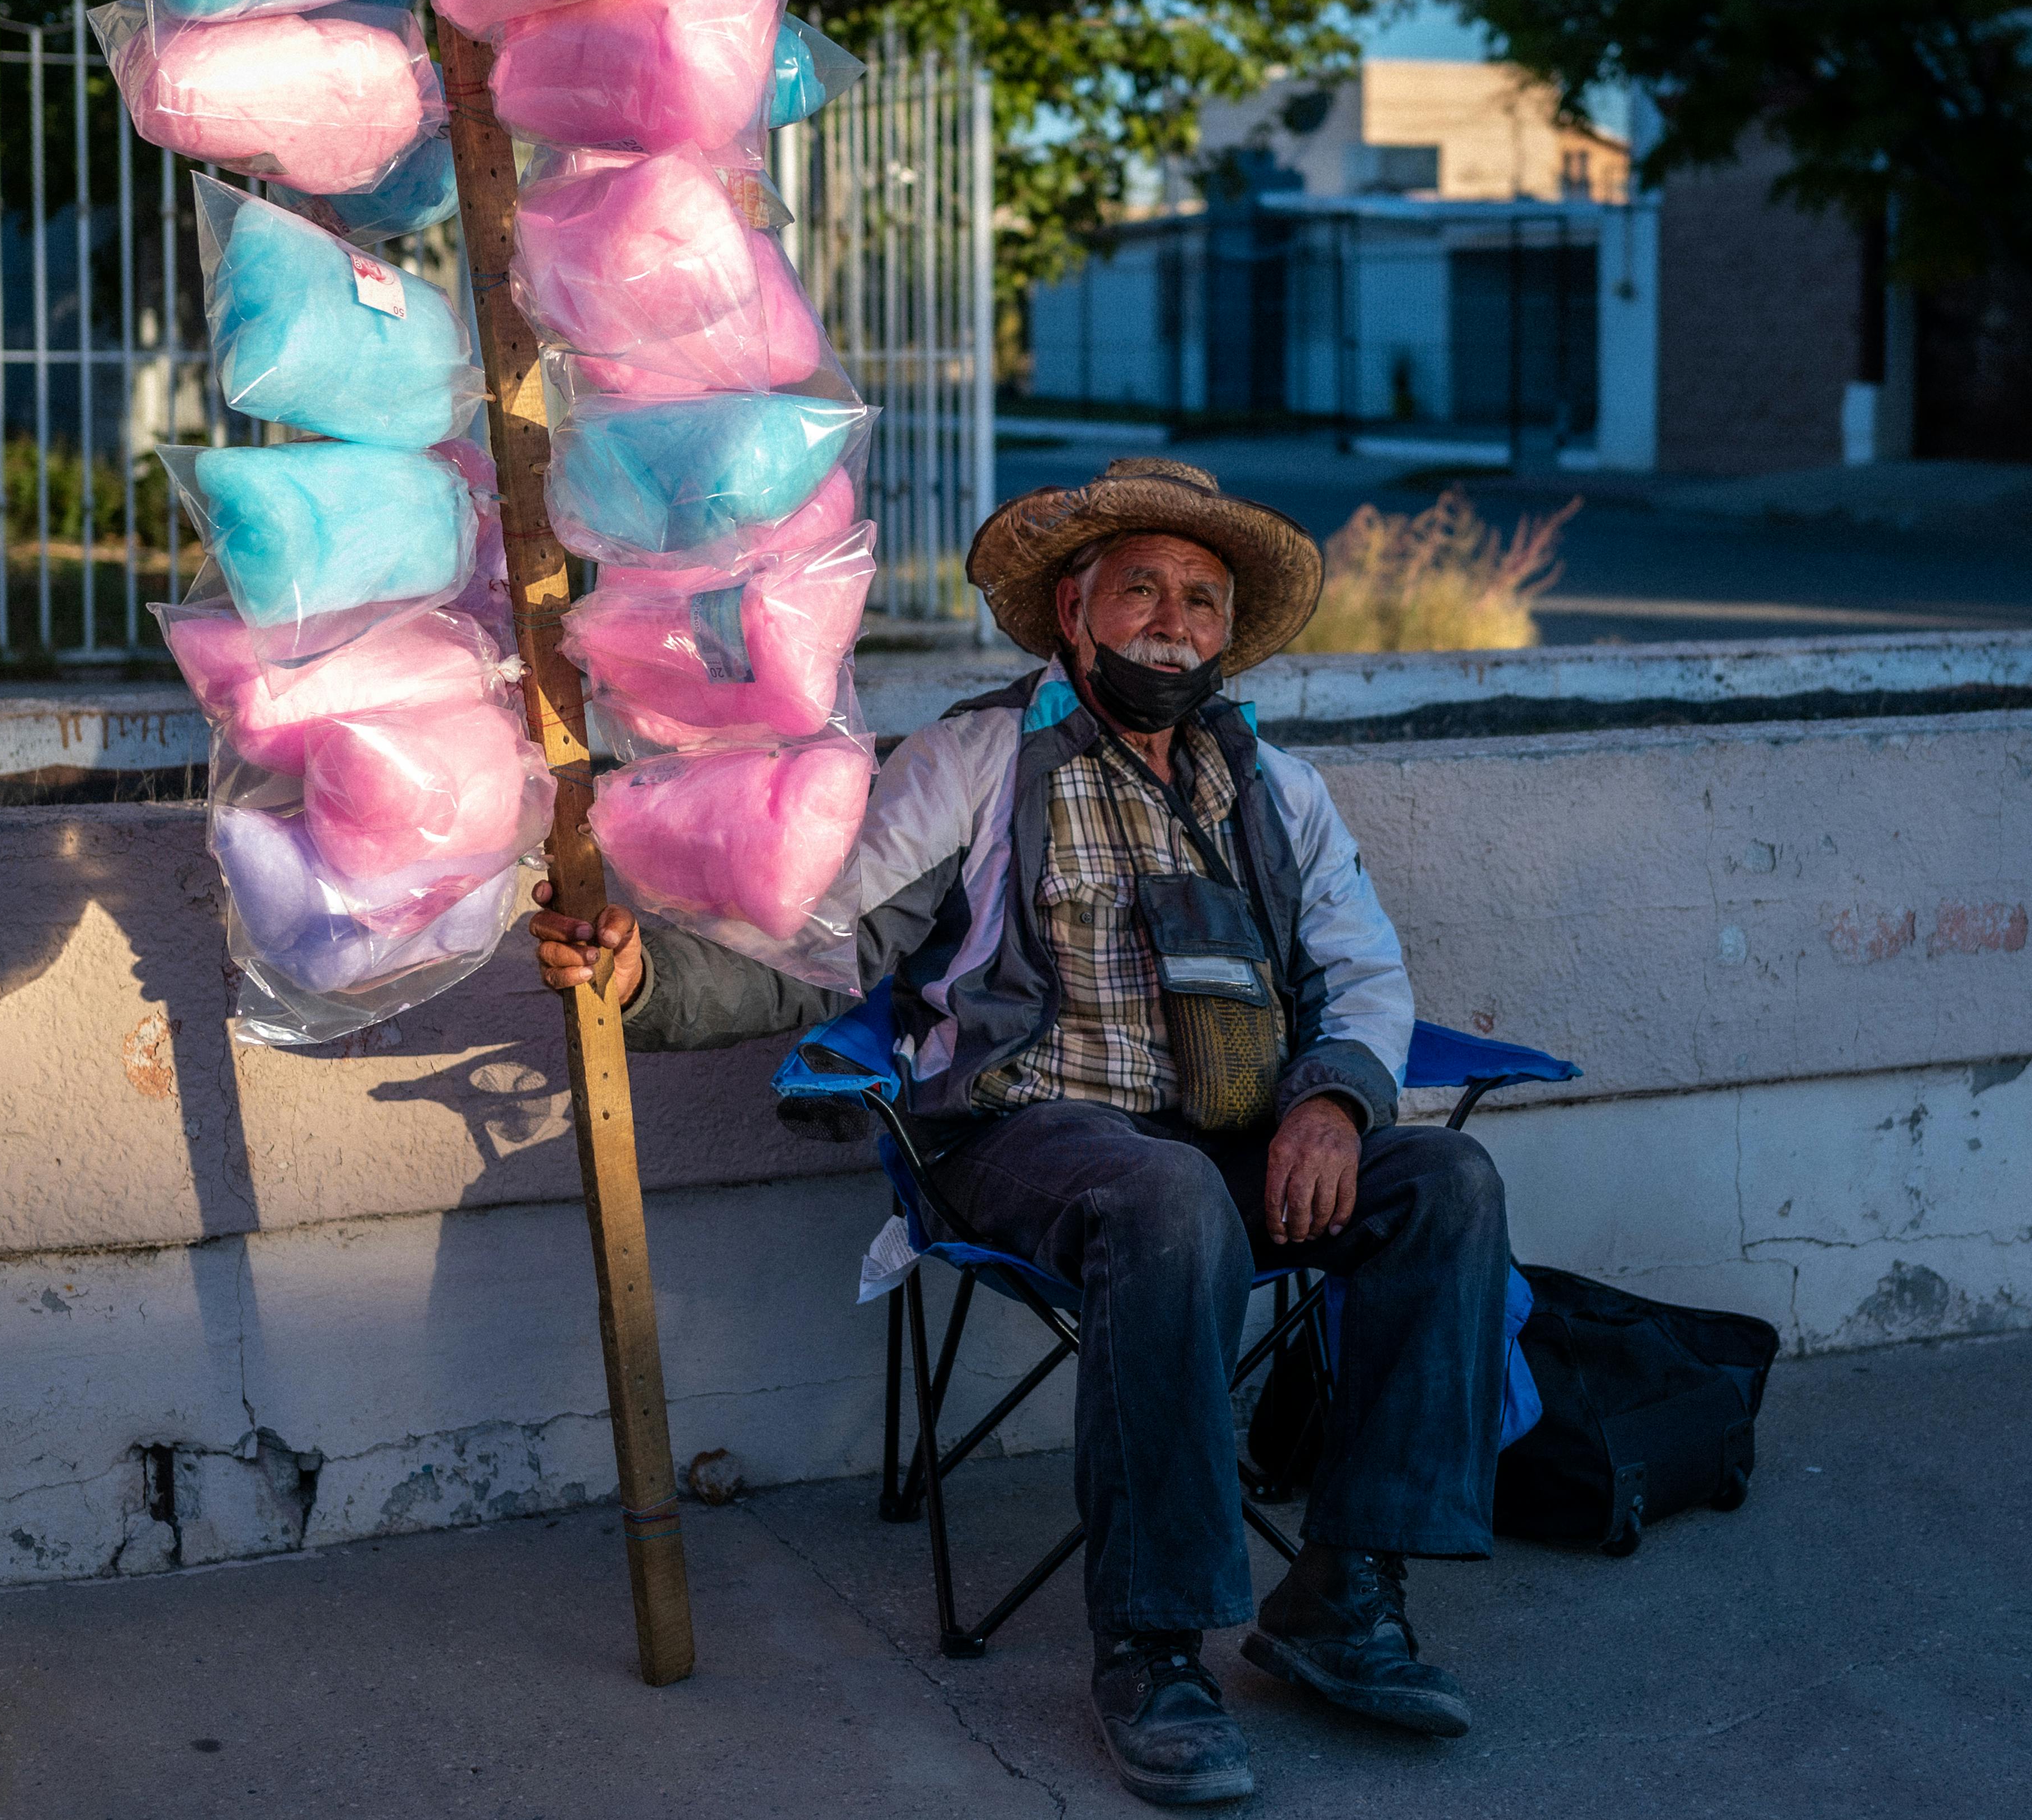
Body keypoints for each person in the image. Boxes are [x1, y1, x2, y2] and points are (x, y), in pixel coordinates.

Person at [532, 458, 1510, 1808]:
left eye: (1203, 601)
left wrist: (1337, 1101)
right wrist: (642, 980)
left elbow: (1364, 975)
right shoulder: (977, 757)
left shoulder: (1279, 790)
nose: (1174, 620)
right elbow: (830, 949)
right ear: (1074, 608)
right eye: (1143, 590)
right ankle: (1154, 1650)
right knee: (1167, 1202)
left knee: (1446, 1182)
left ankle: (1345, 1595)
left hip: (1225, 1138)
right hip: (1023, 1137)